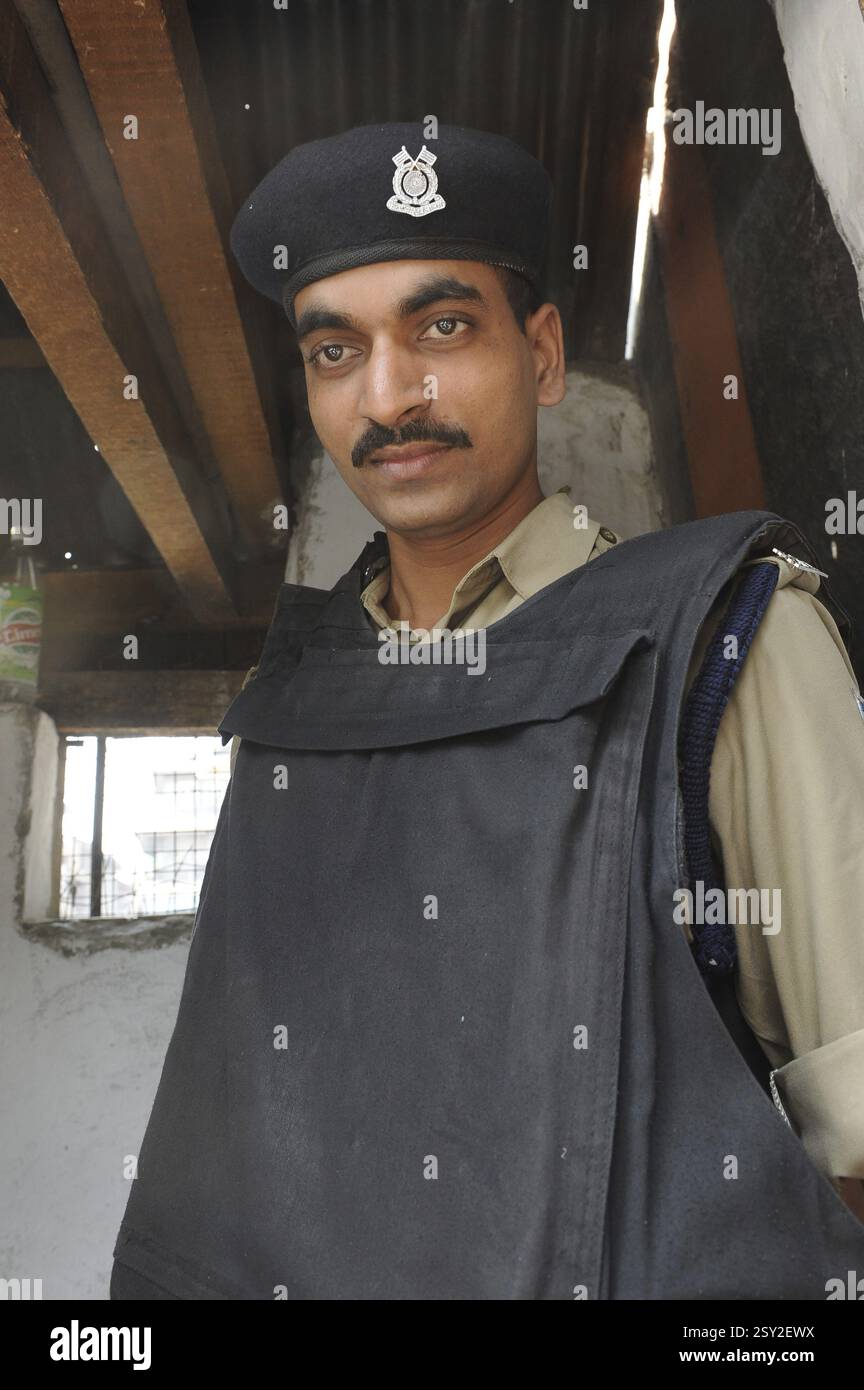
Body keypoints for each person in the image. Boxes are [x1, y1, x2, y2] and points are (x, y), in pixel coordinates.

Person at [110, 122, 864, 1300]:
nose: (390, 395)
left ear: (546, 354)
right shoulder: (287, 709)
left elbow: (858, 1141)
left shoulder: (733, 641)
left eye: (442, 327)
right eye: (334, 350)